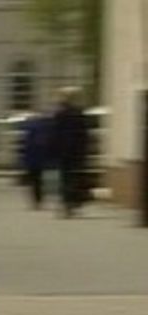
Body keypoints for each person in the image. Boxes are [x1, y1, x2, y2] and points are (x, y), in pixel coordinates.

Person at [52, 87, 90, 218]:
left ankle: (66, 204)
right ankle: (73, 204)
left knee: (65, 178)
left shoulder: (60, 113)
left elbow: (55, 134)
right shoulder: (79, 113)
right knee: (75, 177)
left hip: (64, 151)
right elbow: (84, 134)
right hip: (77, 151)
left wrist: (54, 150)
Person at [20, 113, 51, 209]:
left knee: (33, 181)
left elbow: (25, 147)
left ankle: (36, 201)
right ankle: (39, 200)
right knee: (39, 181)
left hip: (31, 160)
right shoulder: (43, 131)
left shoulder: (29, 132)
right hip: (39, 159)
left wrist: (23, 161)